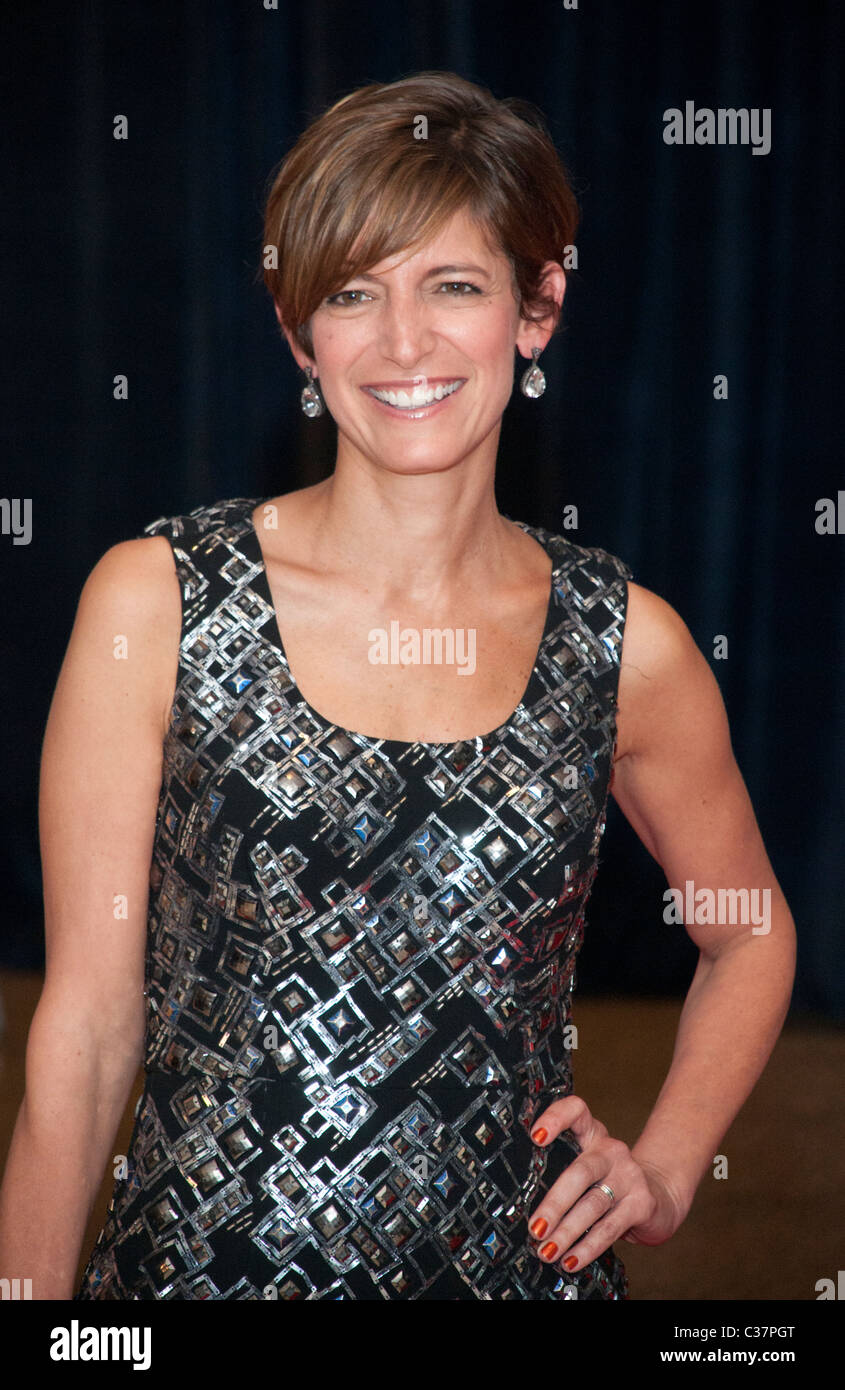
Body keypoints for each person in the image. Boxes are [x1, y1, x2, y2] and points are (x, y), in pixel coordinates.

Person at [0, 71, 795, 1301]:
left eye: (455, 287)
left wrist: (669, 1168)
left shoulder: (625, 645)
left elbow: (746, 932)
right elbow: (87, 1031)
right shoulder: (155, 602)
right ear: (293, 328)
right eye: (353, 294)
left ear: (537, 309)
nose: (403, 343)